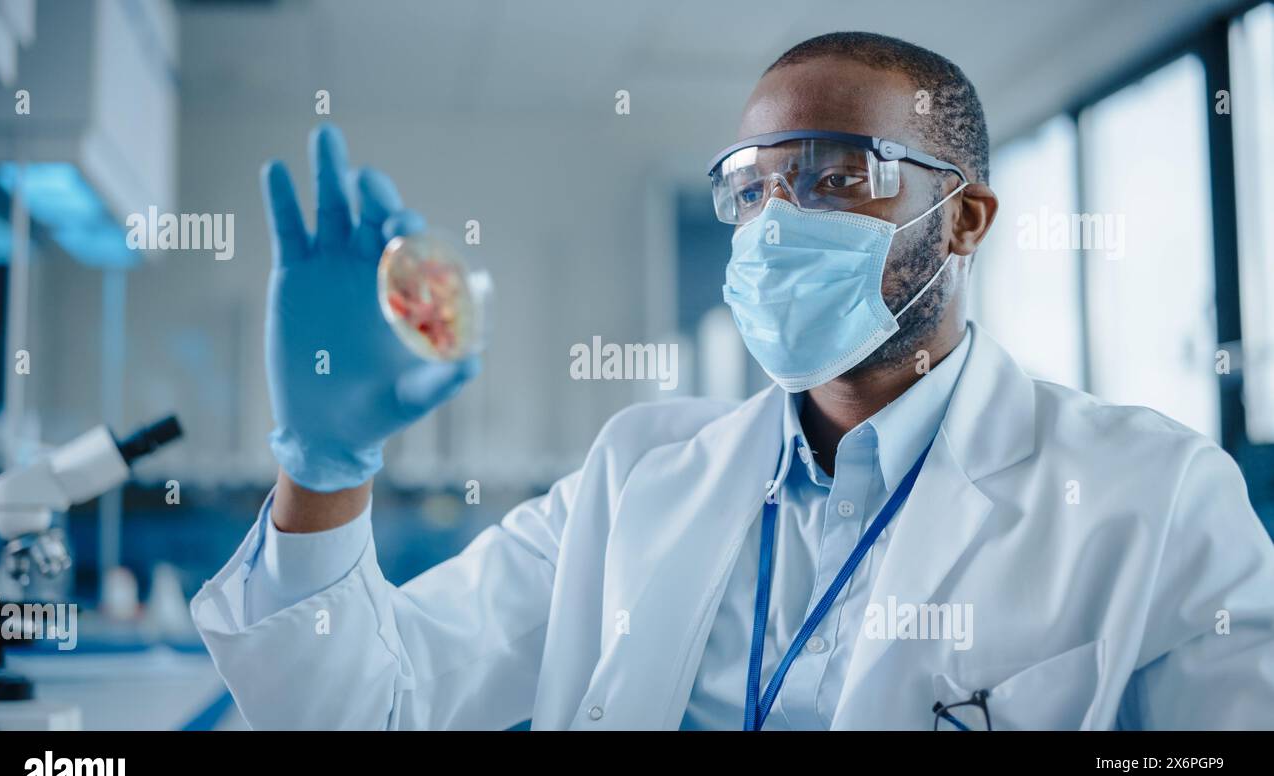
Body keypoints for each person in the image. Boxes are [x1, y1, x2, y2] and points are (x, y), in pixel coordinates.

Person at [191, 32, 1274, 730]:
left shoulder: (1153, 493)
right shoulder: (637, 474)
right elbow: (367, 704)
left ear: (966, 219)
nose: (774, 227)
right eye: (751, 191)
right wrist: (325, 469)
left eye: (837, 176)